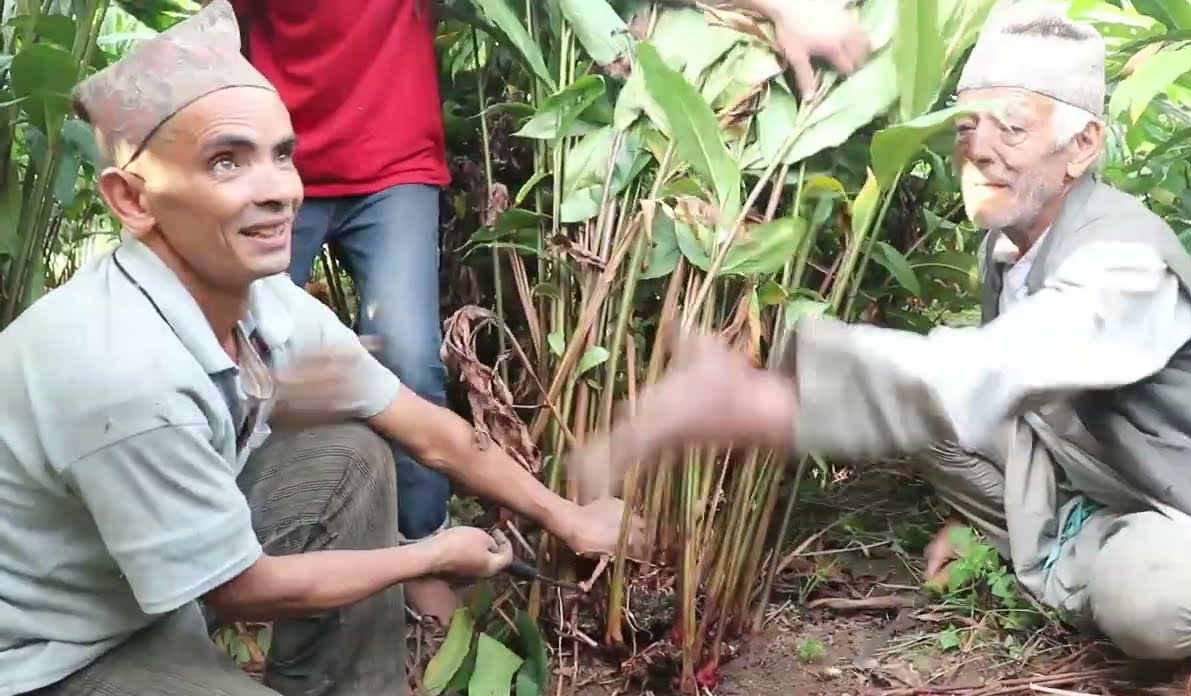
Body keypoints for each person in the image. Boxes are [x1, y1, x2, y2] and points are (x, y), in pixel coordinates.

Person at [570, 4, 1191, 663]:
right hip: (1076, 477)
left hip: (1183, 501)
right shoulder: (1006, 246)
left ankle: (1095, 558)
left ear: (1082, 145)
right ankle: (1049, 538)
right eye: (967, 128)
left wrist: (768, 403)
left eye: (1012, 127)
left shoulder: (1125, 258)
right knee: (930, 416)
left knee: (1153, 600)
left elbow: (1008, 365)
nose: (981, 150)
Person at [0, 3, 639, 696]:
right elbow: (239, 589)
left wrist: (567, 518)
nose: (279, 190)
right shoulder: (123, 376)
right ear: (132, 200)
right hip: (46, 660)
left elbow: (427, 429)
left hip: (134, 593)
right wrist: (430, 555)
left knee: (348, 453)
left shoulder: (264, 300)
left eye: (282, 155)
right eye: (226, 162)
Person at [217, 0, 872, 562]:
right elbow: (221, 41)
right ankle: (234, 559)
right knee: (240, 366)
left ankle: (424, 549)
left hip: (393, 167)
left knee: (411, 362)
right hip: (279, 168)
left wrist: (785, 7)